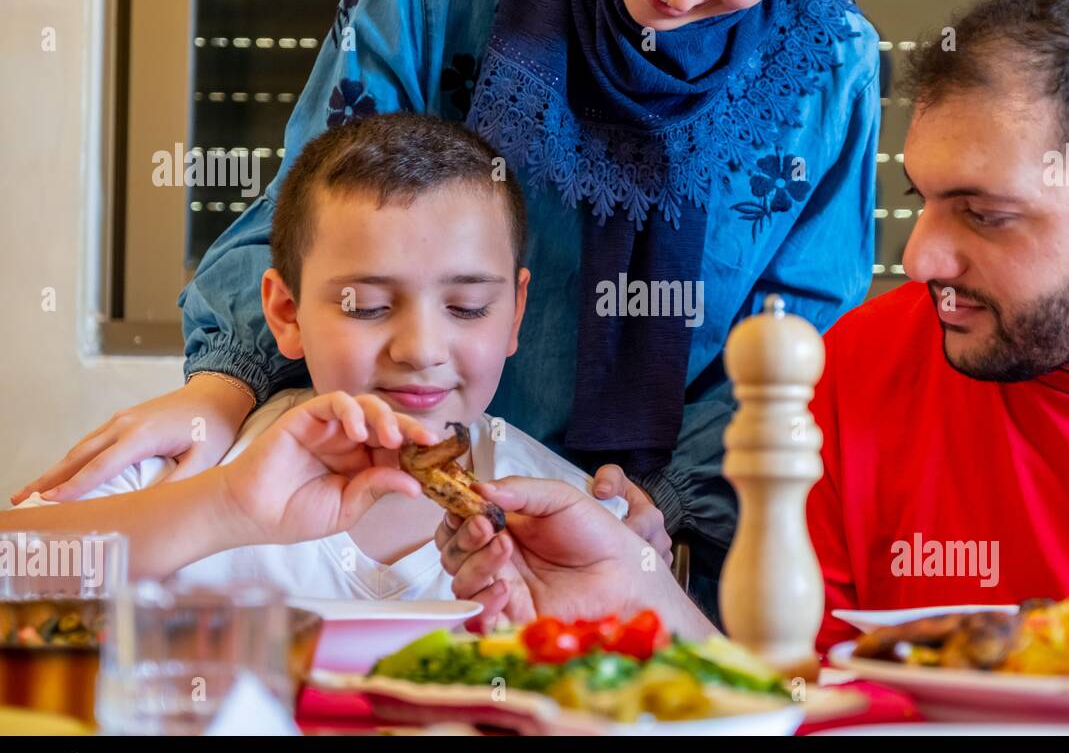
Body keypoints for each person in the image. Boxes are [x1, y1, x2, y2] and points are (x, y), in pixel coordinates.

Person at [14, 0, 884, 622]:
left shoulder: (830, 62)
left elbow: (792, 354)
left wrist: (638, 541)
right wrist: (221, 406)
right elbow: (328, 193)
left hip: (587, 521)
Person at [426, 0, 1069, 647]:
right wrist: (637, 593)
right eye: (921, 199)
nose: (919, 258)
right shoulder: (858, 366)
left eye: (985, 214)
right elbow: (797, 702)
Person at [7, 114, 650, 598]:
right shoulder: (187, 471)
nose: (421, 349)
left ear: (514, 313)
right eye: (367, 306)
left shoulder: (571, 521)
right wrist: (225, 506)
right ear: (286, 312)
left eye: (467, 308)